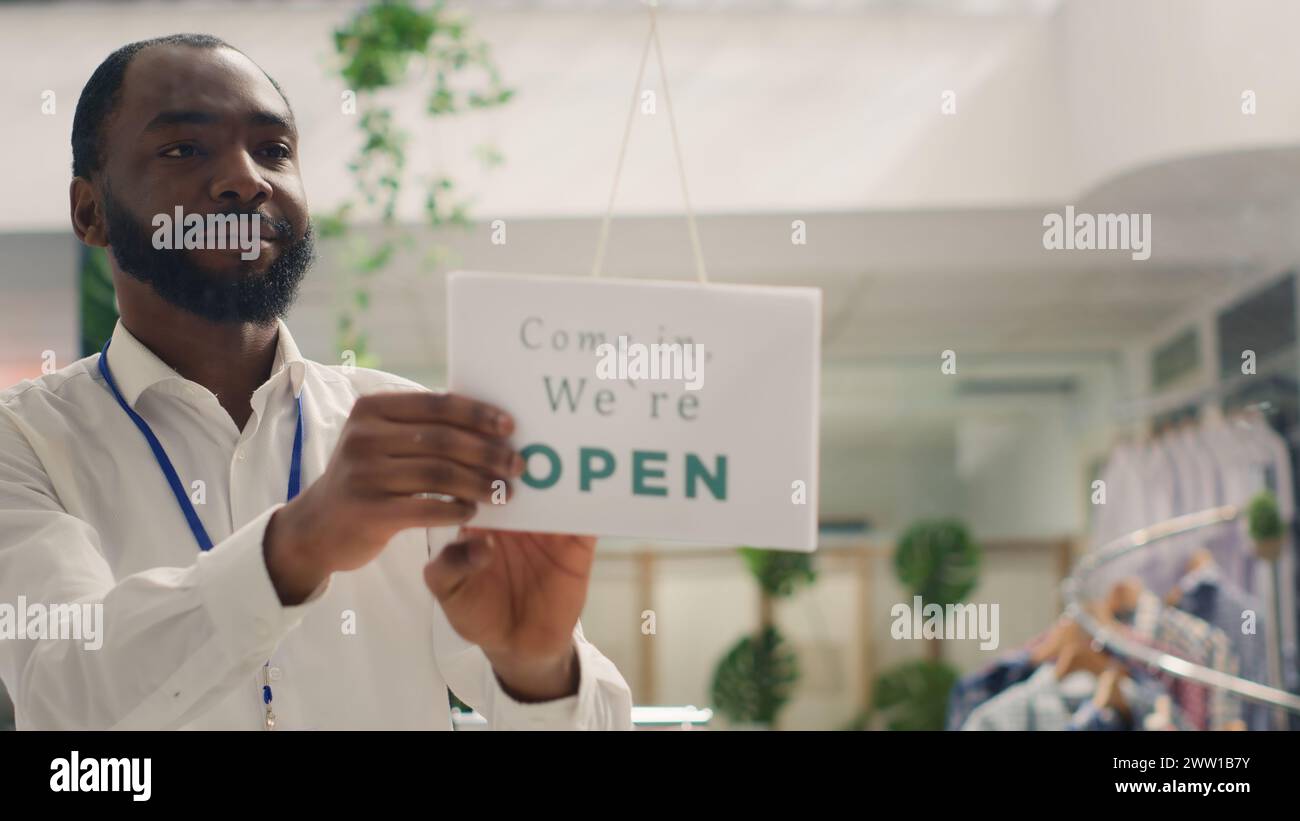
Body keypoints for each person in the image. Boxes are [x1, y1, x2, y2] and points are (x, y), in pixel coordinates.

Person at [0, 34, 633, 730]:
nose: (246, 178)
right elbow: (60, 695)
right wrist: (299, 544)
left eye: (274, 149)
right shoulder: (23, 441)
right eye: (184, 149)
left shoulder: (409, 427)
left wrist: (539, 672)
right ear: (90, 212)